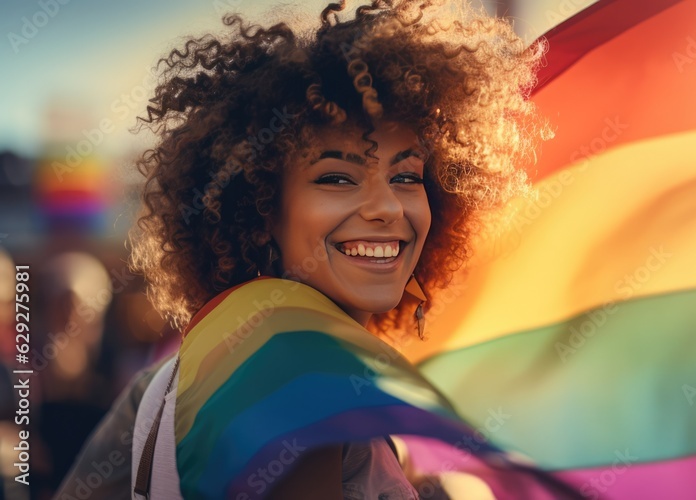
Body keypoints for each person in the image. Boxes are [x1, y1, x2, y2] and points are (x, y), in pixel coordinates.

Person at [59, 0, 552, 498]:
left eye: (406, 176)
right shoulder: (290, 375)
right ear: (260, 209)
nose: (387, 207)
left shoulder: (209, 369)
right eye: (337, 178)